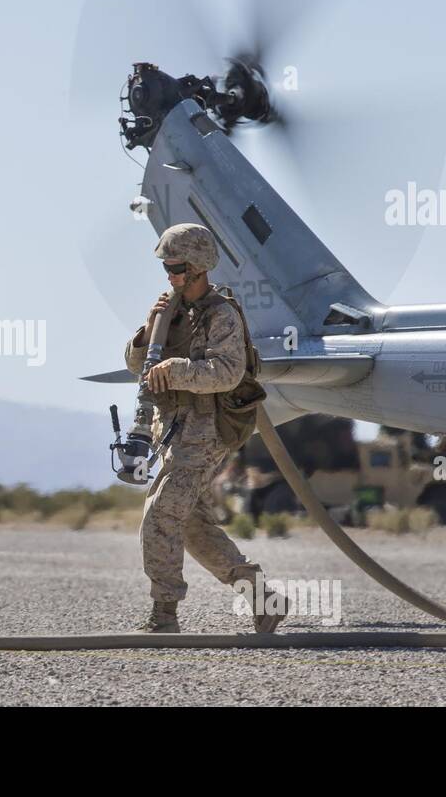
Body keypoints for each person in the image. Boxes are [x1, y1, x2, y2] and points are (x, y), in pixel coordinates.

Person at [123, 223, 289, 634]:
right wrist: (148, 331)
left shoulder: (222, 315)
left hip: (205, 432)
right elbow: (136, 367)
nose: (171, 275)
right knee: (191, 524)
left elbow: (228, 372)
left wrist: (176, 370)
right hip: (173, 433)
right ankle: (262, 598)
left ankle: (164, 614)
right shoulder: (171, 310)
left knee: (161, 515)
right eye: (167, 267)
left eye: (177, 266)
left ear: (199, 266)